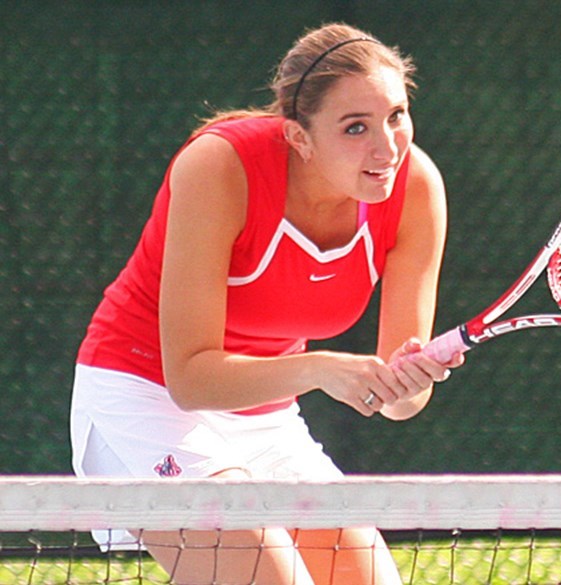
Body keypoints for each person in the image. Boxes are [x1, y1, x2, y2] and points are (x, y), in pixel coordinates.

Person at [69, 22, 462, 585]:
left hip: (265, 414)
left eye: (396, 116)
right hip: (143, 395)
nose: (387, 147)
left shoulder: (416, 186)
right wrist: (322, 369)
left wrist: (404, 381)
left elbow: (401, 402)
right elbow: (190, 380)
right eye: (355, 127)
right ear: (300, 137)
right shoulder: (219, 165)